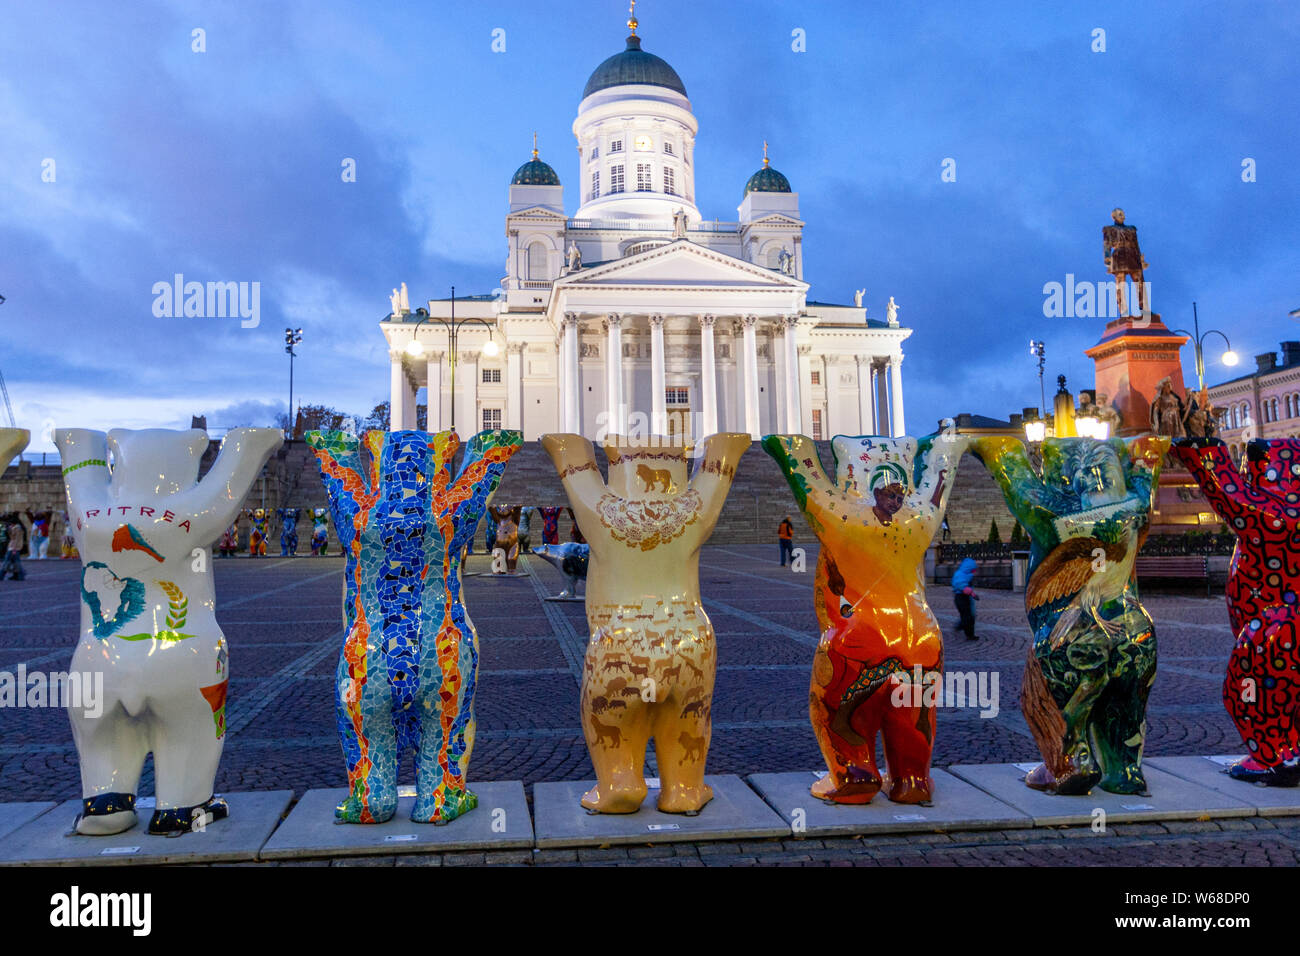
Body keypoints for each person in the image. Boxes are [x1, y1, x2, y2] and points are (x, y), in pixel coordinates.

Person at [951, 557, 979, 640]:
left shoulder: (963, 574)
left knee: (968, 616)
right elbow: (961, 585)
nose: (974, 572)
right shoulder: (962, 574)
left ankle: (968, 632)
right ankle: (966, 631)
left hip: (963, 597)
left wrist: (972, 593)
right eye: (973, 570)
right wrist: (972, 593)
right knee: (967, 616)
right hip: (961, 597)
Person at [1, 515, 25, 581]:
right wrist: (9, 530)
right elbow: (11, 537)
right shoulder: (14, 528)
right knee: (15, 562)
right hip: (12, 546)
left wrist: (14, 548)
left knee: (8, 562)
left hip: (14, 547)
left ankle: (1, 575)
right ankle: (18, 575)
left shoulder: (18, 528)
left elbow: (17, 539)